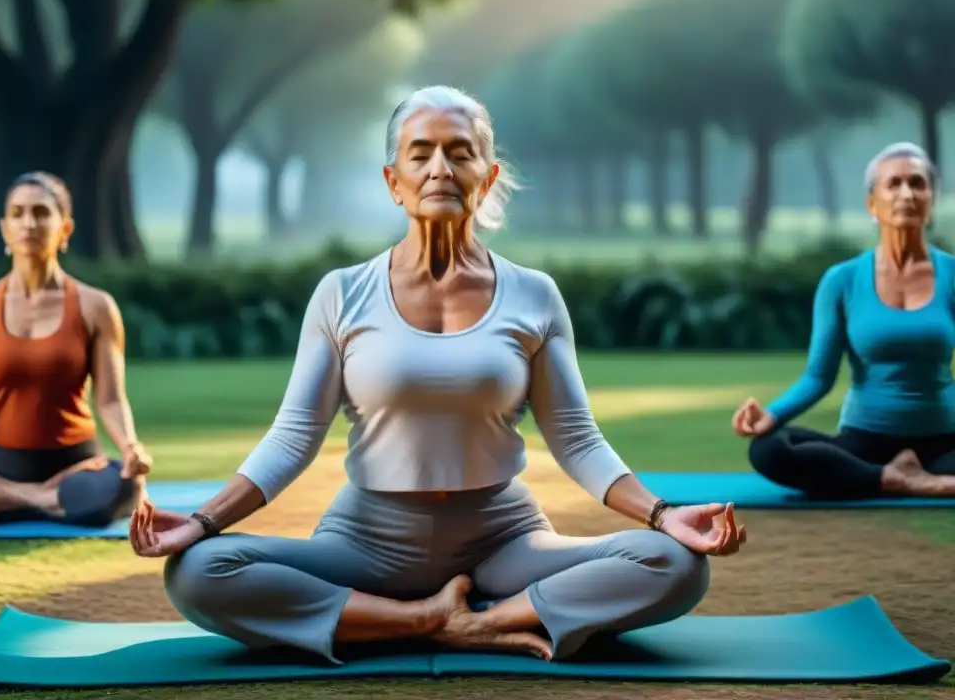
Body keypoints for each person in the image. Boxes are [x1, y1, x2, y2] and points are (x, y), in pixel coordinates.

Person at [129, 85, 746, 664]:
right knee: (198, 571)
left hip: (504, 540)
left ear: (488, 177)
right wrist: (203, 522)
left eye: (460, 153)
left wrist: (663, 515)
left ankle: (483, 619)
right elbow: (293, 437)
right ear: (393, 181)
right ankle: (427, 620)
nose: (440, 170)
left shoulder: (534, 295)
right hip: (366, 541)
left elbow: (577, 439)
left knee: (675, 564)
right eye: (420, 154)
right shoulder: (341, 293)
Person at [734, 142, 955, 499]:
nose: (906, 194)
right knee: (768, 448)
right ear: (872, 204)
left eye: (917, 184)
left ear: (931, 199)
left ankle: (884, 479)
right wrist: (771, 415)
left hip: (944, 443)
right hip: (865, 444)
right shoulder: (842, 280)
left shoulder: (952, 275)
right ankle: (900, 479)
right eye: (894, 184)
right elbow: (818, 378)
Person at [0, 171, 152, 528]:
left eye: (41, 212)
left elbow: (111, 399)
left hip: (75, 468)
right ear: (4, 229)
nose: (29, 223)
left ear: (65, 228)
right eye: (17, 213)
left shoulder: (96, 307)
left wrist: (130, 447)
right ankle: (39, 499)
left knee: (124, 486)